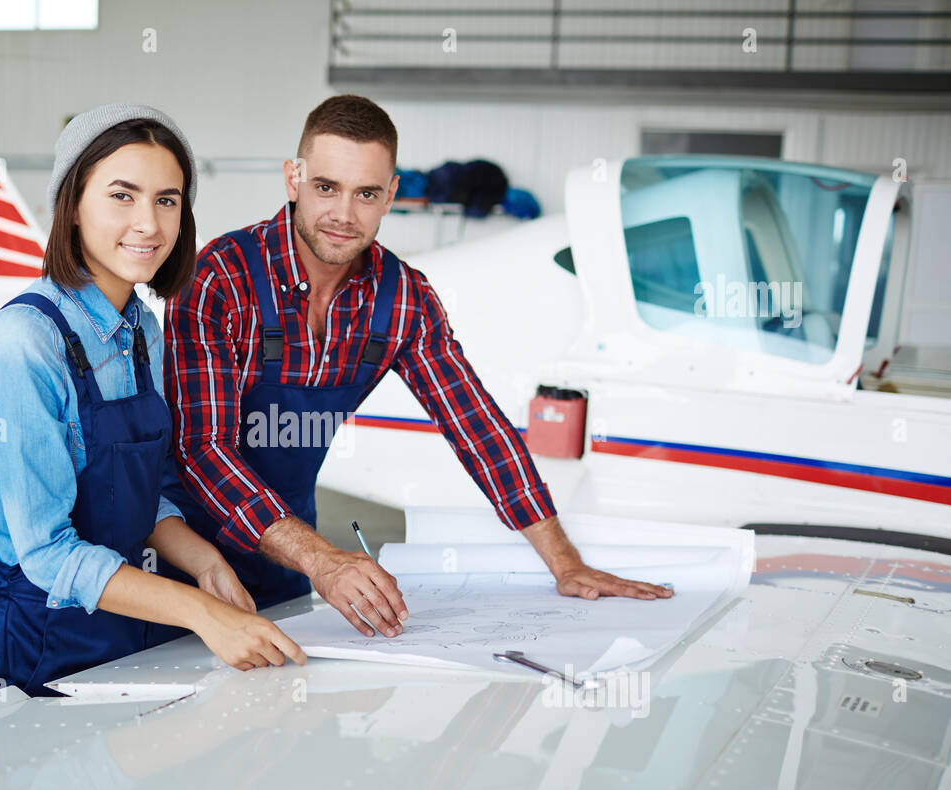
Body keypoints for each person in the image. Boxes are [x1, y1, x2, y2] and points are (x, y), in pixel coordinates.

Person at [160, 95, 673, 640]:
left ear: (392, 196)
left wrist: (565, 563)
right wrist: (325, 562)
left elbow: (478, 428)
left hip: (287, 564)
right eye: (326, 187)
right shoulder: (220, 279)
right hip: (184, 560)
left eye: (367, 194)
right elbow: (203, 449)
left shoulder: (402, 298)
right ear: (294, 179)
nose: (343, 214)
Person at [0, 104, 304, 697]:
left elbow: (139, 501)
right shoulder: (23, 346)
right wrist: (198, 610)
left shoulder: (141, 330)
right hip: (43, 629)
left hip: (127, 611)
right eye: (122, 196)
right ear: (70, 207)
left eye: (167, 200)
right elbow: (45, 553)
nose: (149, 224)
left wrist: (205, 564)